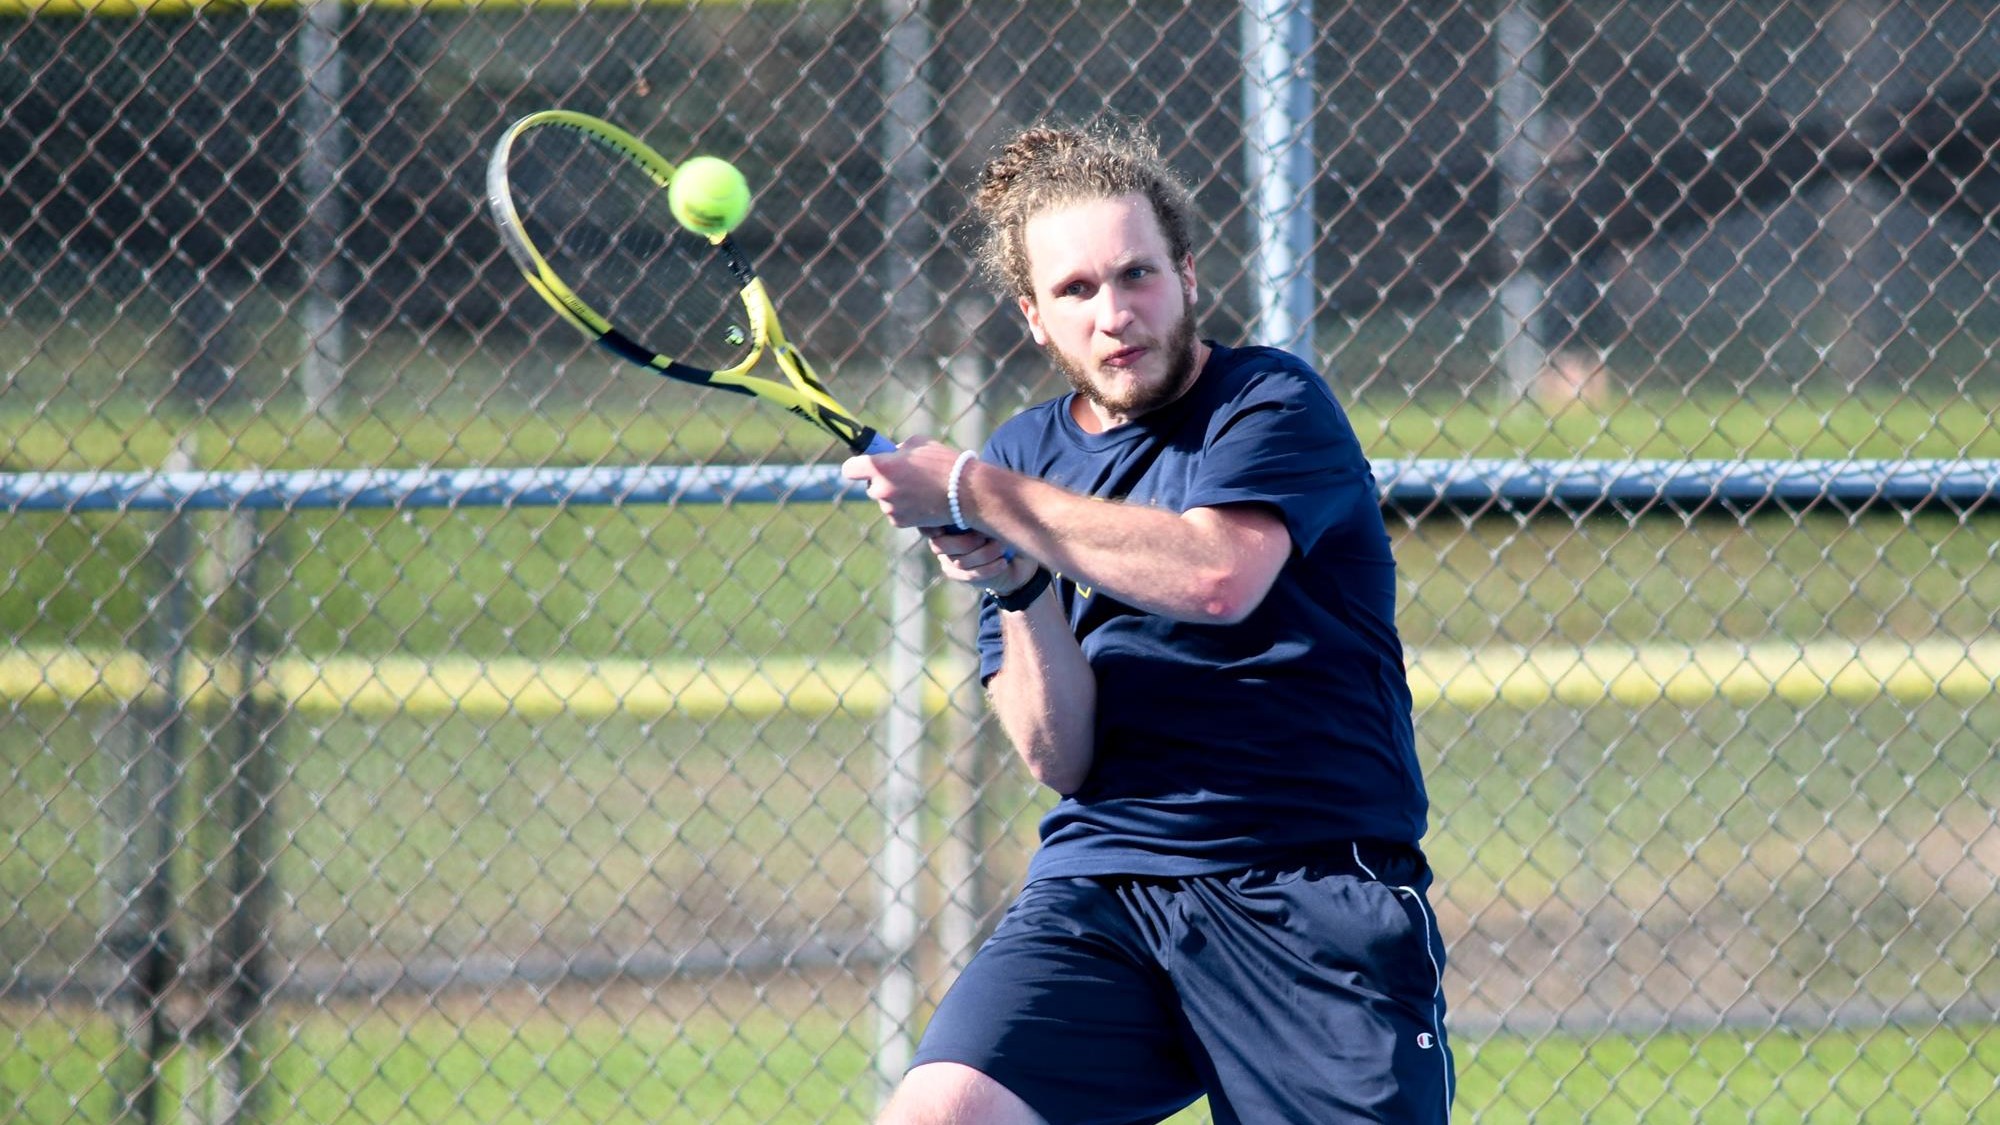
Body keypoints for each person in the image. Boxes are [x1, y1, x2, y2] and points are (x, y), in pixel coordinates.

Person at [841, 121, 1454, 1125]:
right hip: (1107, 885)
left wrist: (967, 487)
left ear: (1187, 276)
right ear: (1034, 318)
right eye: (1077, 291)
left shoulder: (1268, 401)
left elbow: (1218, 577)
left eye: (1136, 275)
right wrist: (1020, 587)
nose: (1115, 312)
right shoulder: (1025, 452)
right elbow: (1060, 756)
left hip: (1306, 885)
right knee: (938, 1115)